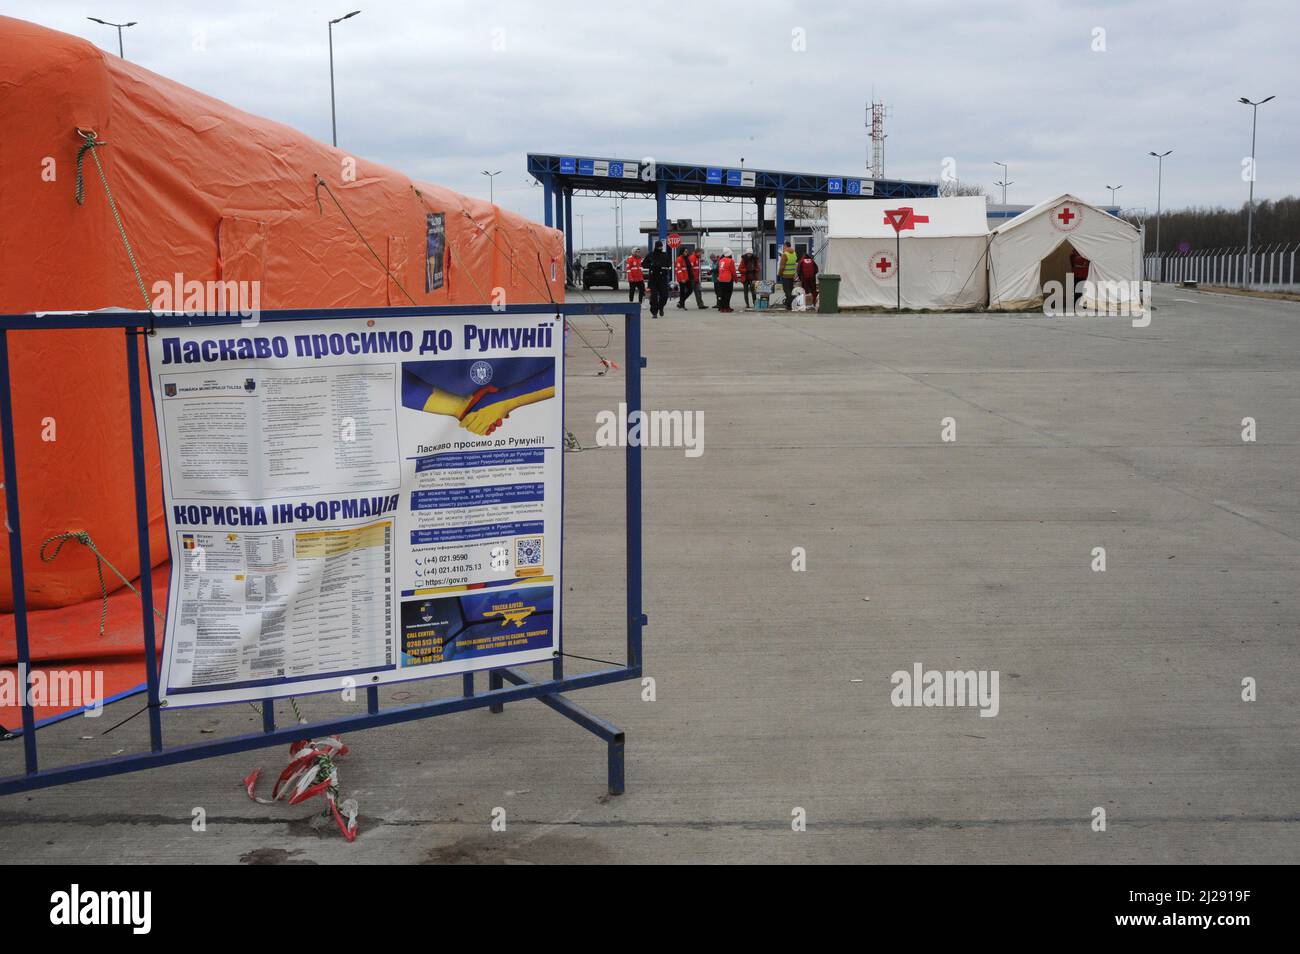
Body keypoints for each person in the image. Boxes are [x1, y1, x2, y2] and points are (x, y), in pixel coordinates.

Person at [643, 241, 670, 318]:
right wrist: (651, 265)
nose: (660, 248)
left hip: (662, 278)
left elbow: (669, 265)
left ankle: (660, 307)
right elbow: (644, 264)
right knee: (654, 297)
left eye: (661, 247)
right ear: (655, 247)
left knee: (664, 296)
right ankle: (654, 312)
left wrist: (663, 266)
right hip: (653, 278)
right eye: (659, 247)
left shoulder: (664, 255)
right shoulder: (650, 255)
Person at [715, 248, 737, 313]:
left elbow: (719, 270)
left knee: (722, 294)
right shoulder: (730, 261)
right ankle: (726, 307)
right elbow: (733, 271)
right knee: (728, 294)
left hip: (721, 279)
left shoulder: (721, 260)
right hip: (728, 280)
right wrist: (736, 279)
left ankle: (722, 307)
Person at [777, 241, 798, 309]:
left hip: (785, 275)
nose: (783, 248)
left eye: (784, 246)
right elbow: (794, 263)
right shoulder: (794, 253)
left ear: (785, 246)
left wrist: (779, 274)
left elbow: (782, 267)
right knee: (791, 290)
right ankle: (791, 303)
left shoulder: (785, 254)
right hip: (792, 275)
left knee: (787, 290)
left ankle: (789, 305)